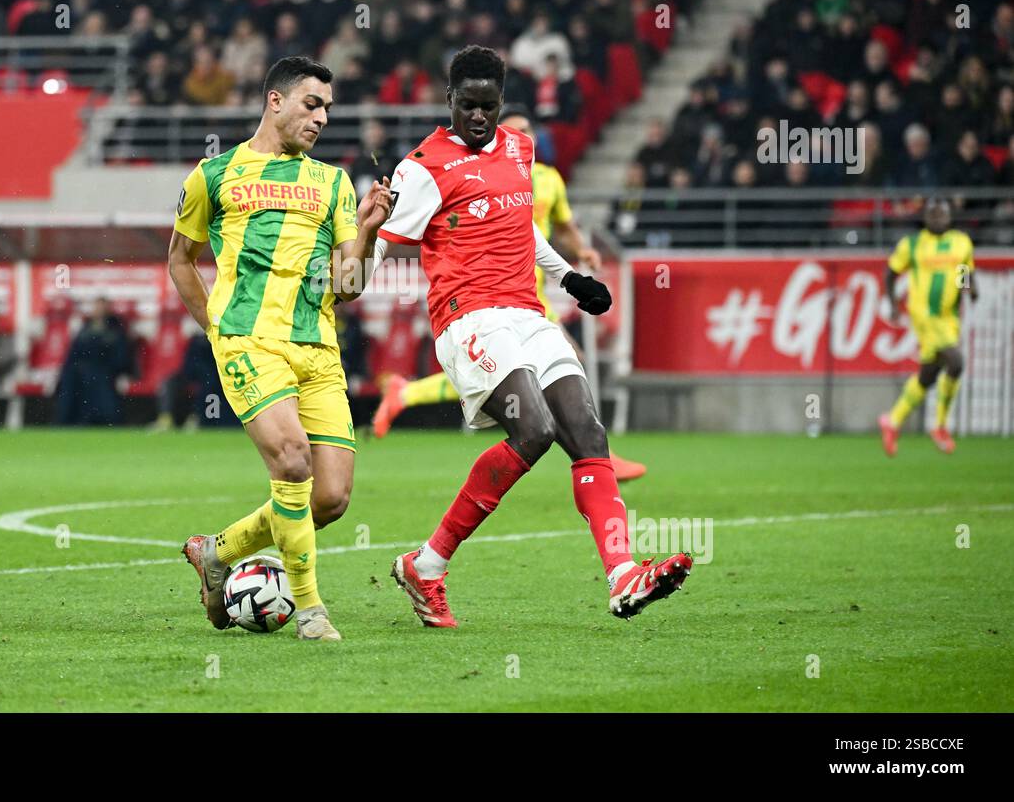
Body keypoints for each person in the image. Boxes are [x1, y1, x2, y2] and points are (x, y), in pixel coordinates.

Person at [370, 46, 691, 628]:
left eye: (487, 107)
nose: (477, 118)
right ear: (450, 102)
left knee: (587, 432)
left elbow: (523, 228)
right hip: (467, 316)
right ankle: (430, 563)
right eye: (467, 106)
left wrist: (567, 277)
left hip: (526, 311)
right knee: (535, 428)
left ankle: (622, 576)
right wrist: (341, 281)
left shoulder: (521, 150)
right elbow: (384, 242)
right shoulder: (422, 167)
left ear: (501, 105)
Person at [170, 55, 393, 642]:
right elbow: (179, 259)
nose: (320, 118)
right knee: (291, 460)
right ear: (275, 100)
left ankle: (217, 553)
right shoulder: (213, 175)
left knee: (331, 497)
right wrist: (216, 329)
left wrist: (366, 233)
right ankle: (311, 608)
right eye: (311, 104)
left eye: (327, 109)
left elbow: (347, 286)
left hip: (318, 348)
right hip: (249, 340)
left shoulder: (334, 183)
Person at [370, 109, 648, 483]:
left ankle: (592, 453)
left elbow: (557, 226)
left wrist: (578, 257)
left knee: (545, 370)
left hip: (533, 292)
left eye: (524, 131)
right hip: (491, 298)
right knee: (529, 378)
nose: (516, 138)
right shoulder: (471, 171)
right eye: (511, 131)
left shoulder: (548, 179)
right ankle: (594, 455)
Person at [878, 197, 977, 456]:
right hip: (925, 316)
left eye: (941, 213)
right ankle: (940, 426)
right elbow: (890, 272)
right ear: (924, 217)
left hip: (949, 318)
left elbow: (964, 271)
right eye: (932, 214)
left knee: (928, 375)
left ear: (950, 216)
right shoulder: (912, 245)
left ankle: (893, 420)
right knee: (956, 363)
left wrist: (970, 289)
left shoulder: (961, 242)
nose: (937, 218)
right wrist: (893, 303)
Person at [54, 298, 132, 426]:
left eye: (102, 307)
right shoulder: (85, 330)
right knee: (69, 375)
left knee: (94, 376)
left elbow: (121, 357)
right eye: (97, 307)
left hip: (105, 370)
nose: (99, 310)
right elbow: (73, 354)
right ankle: (66, 419)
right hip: (80, 370)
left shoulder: (115, 331)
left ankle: (98, 418)